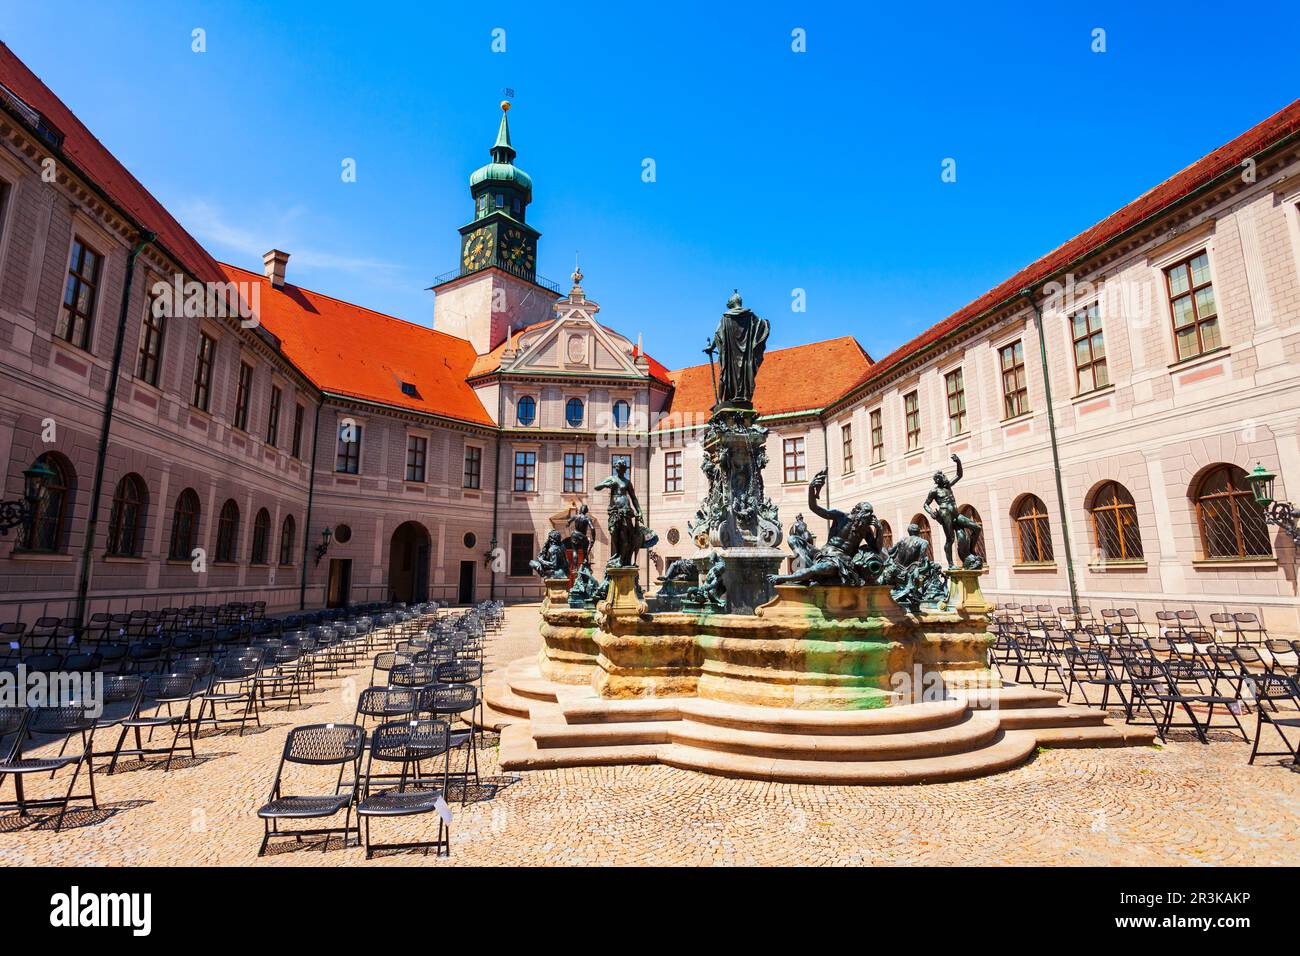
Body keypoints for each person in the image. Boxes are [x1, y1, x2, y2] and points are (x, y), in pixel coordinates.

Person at [768, 470, 879, 587]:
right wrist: (811, 490)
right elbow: (814, 507)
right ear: (856, 511)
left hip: (839, 560)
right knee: (793, 539)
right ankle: (807, 568)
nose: (868, 517)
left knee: (815, 569)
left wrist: (879, 529)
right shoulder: (840, 516)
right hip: (824, 553)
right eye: (865, 513)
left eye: (869, 514)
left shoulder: (865, 528)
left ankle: (785, 578)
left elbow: (876, 549)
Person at [924, 454, 982, 568]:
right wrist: (931, 512)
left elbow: (959, 475)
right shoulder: (934, 491)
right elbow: (925, 504)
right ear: (937, 480)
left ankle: (971, 550)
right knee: (950, 539)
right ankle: (950, 564)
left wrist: (958, 462)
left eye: (943, 475)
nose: (944, 477)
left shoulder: (948, 486)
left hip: (956, 514)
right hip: (945, 515)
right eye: (941, 476)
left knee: (976, 527)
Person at [594, 458, 645, 568]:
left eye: (620, 467)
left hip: (625, 511)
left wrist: (639, 511)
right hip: (614, 511)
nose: (618, 469)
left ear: (623, 469)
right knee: (613, 532)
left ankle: (622, 559)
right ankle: (617, 553)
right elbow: (597, 487)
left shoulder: (627, 482)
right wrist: (605, 485)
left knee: (625, 536)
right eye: (617, 467)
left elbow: (634, 498)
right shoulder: (611, 479)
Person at [565, 504, 597, 570]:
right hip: (582, 536)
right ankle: (586, 566)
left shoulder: (576, 516)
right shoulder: (587, 518)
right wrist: (593, 538)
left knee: (575, 551)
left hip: (575, 535)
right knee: (585, 552)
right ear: (586, 511)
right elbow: (592, 528)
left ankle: (575, 568)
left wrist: (568, 525)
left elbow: (568, 521)